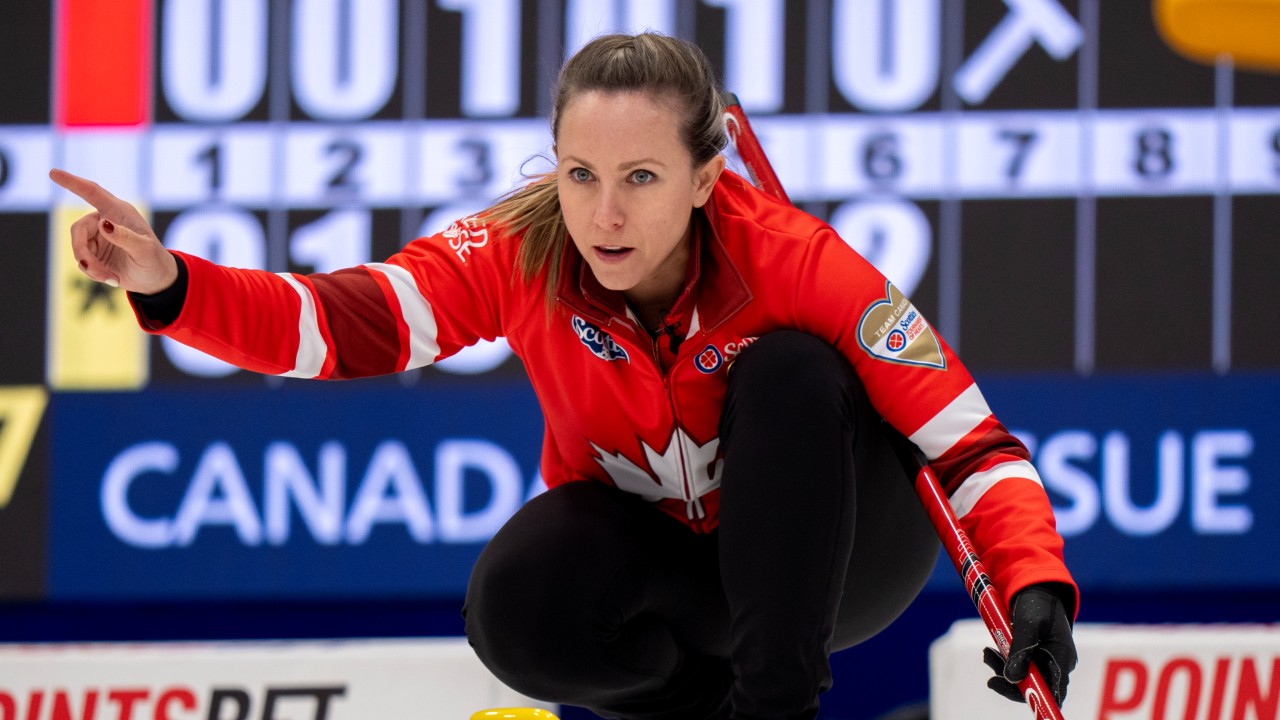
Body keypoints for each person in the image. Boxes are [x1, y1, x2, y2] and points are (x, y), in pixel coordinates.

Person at [52, 32, 1076, 720]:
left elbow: (966, 442)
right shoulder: (523, 246)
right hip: (680, 572)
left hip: (838, 561)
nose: (604, 217)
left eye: (639, 179)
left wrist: (1034, 586)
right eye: (580, 175)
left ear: (705, 177)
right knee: (516, 600)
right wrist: (171, 281)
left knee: (794, 375)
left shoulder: (794, 259)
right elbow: (344, 322)